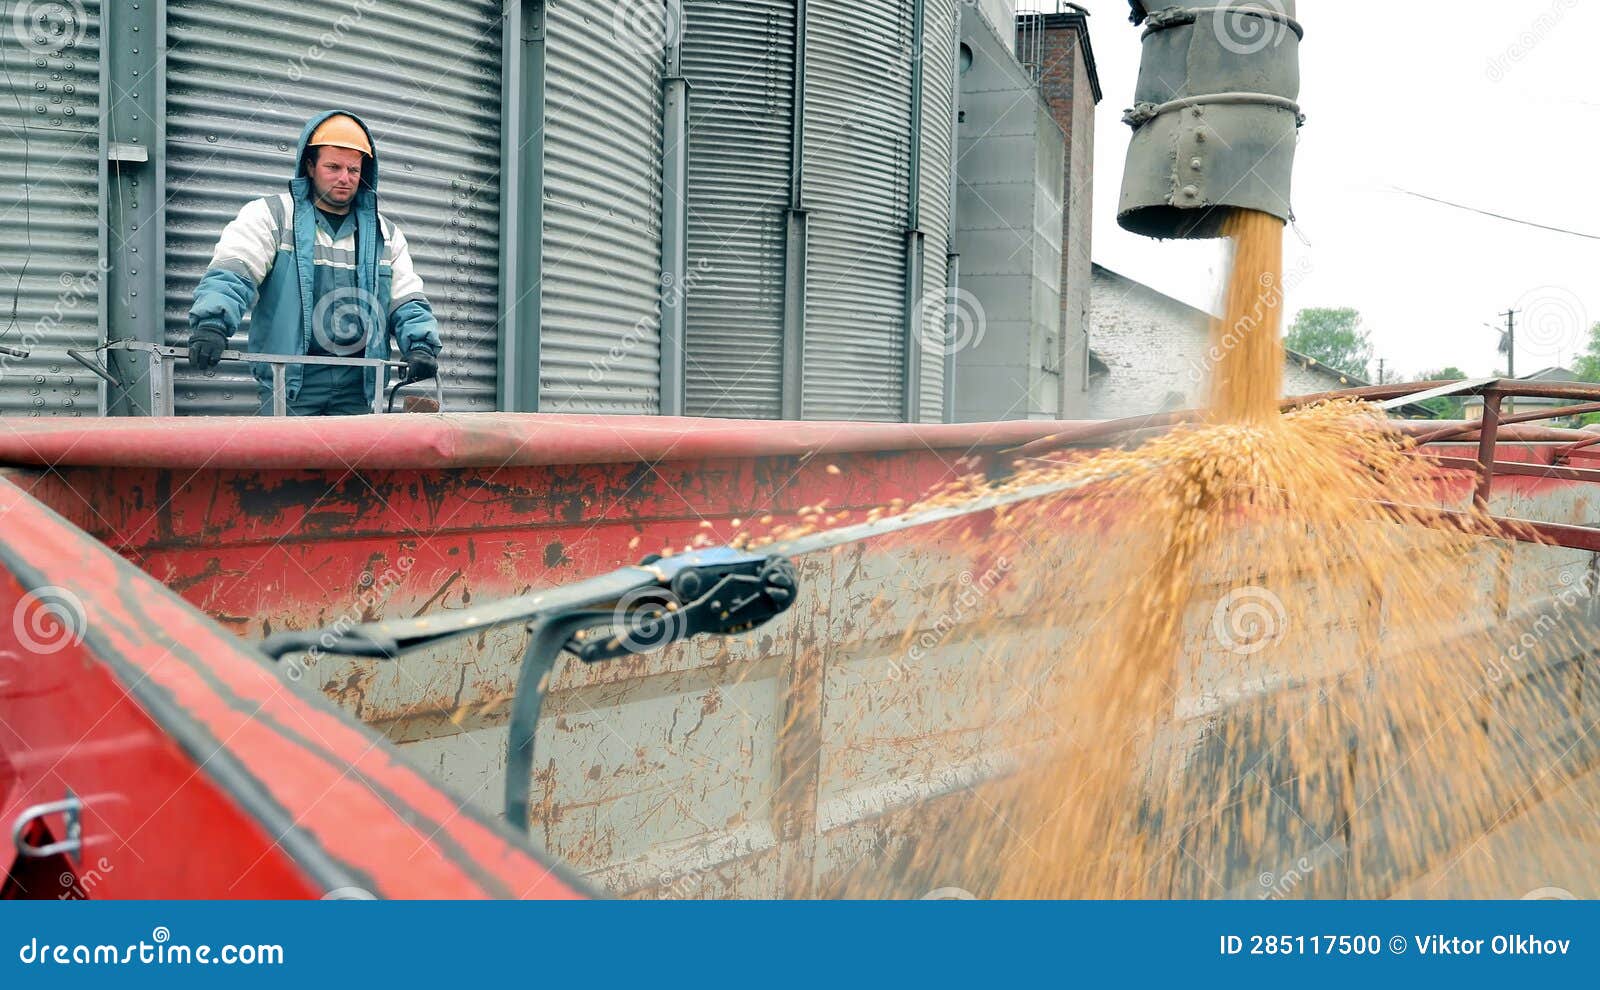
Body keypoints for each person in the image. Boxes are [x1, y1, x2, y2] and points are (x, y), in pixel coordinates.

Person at [186, 110, 440, 415]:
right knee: (289, 464)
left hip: (358, 390)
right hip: (290, 385)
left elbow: (406, 299)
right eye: (333, 166)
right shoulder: (272, 216)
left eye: (353, 169)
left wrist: (421, 345)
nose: (344, 178)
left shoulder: (385, 234)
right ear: (310, 164)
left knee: (354, 465)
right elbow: (234, 273)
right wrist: (213, 323)